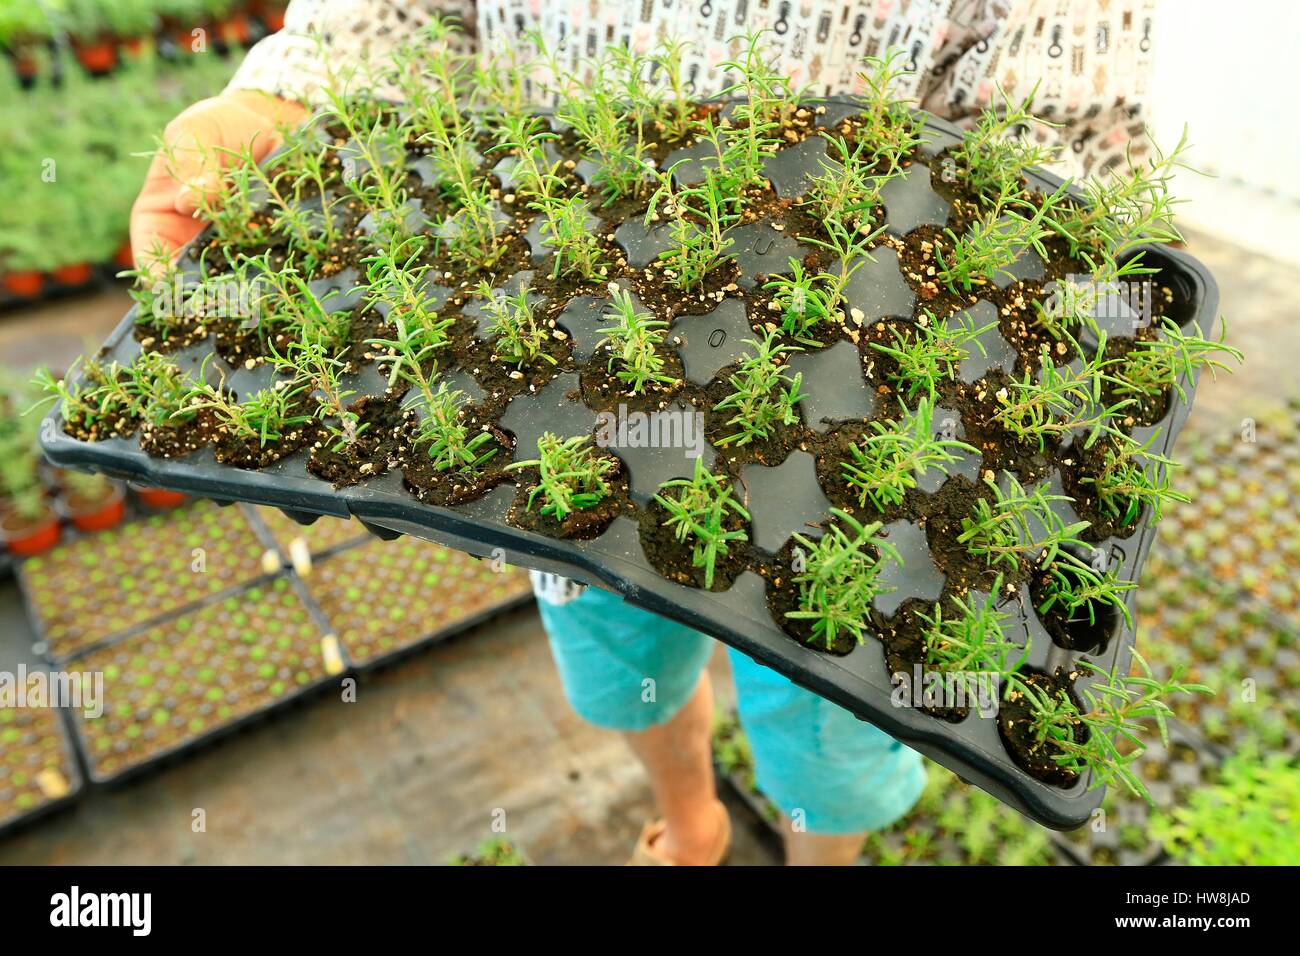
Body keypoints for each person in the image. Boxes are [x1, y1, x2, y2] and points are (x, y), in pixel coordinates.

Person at [130, 0, 1156, 865]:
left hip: (853, 378)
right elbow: (399, 16)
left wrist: (1012, 260)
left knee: (826, 709)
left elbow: (1063, 113)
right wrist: (288, 98)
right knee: (619, 649)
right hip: (566, 367)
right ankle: (690, 818)